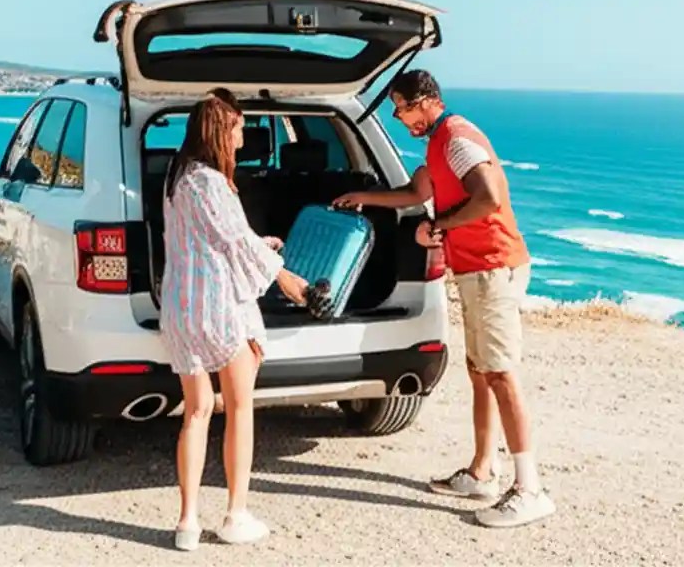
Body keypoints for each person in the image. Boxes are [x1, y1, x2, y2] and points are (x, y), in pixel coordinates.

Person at [334, 70, 555, 528]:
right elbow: (417, 192)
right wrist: (364, 197)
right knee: (481, 373)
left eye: (401, 107)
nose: (398, 117)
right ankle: (482, 470)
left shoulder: (455, 137)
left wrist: (438, 226)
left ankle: (530, 488)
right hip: (475, 269)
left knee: (500, 374)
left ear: (427, 100)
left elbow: (489, 196)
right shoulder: (437, 143)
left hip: (494, 266)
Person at [159, 90, 310, 551]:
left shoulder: (178, 176)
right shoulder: (212, 182)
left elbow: (220, 235)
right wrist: (284, 277)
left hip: (182, 310)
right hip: (221, 310)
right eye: (240, 127)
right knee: (240, 408)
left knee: (197, 411)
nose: (244, 136)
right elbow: (234, 246)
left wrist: (258, 241)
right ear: (220, 130)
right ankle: (235, 515)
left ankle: (186, 523)